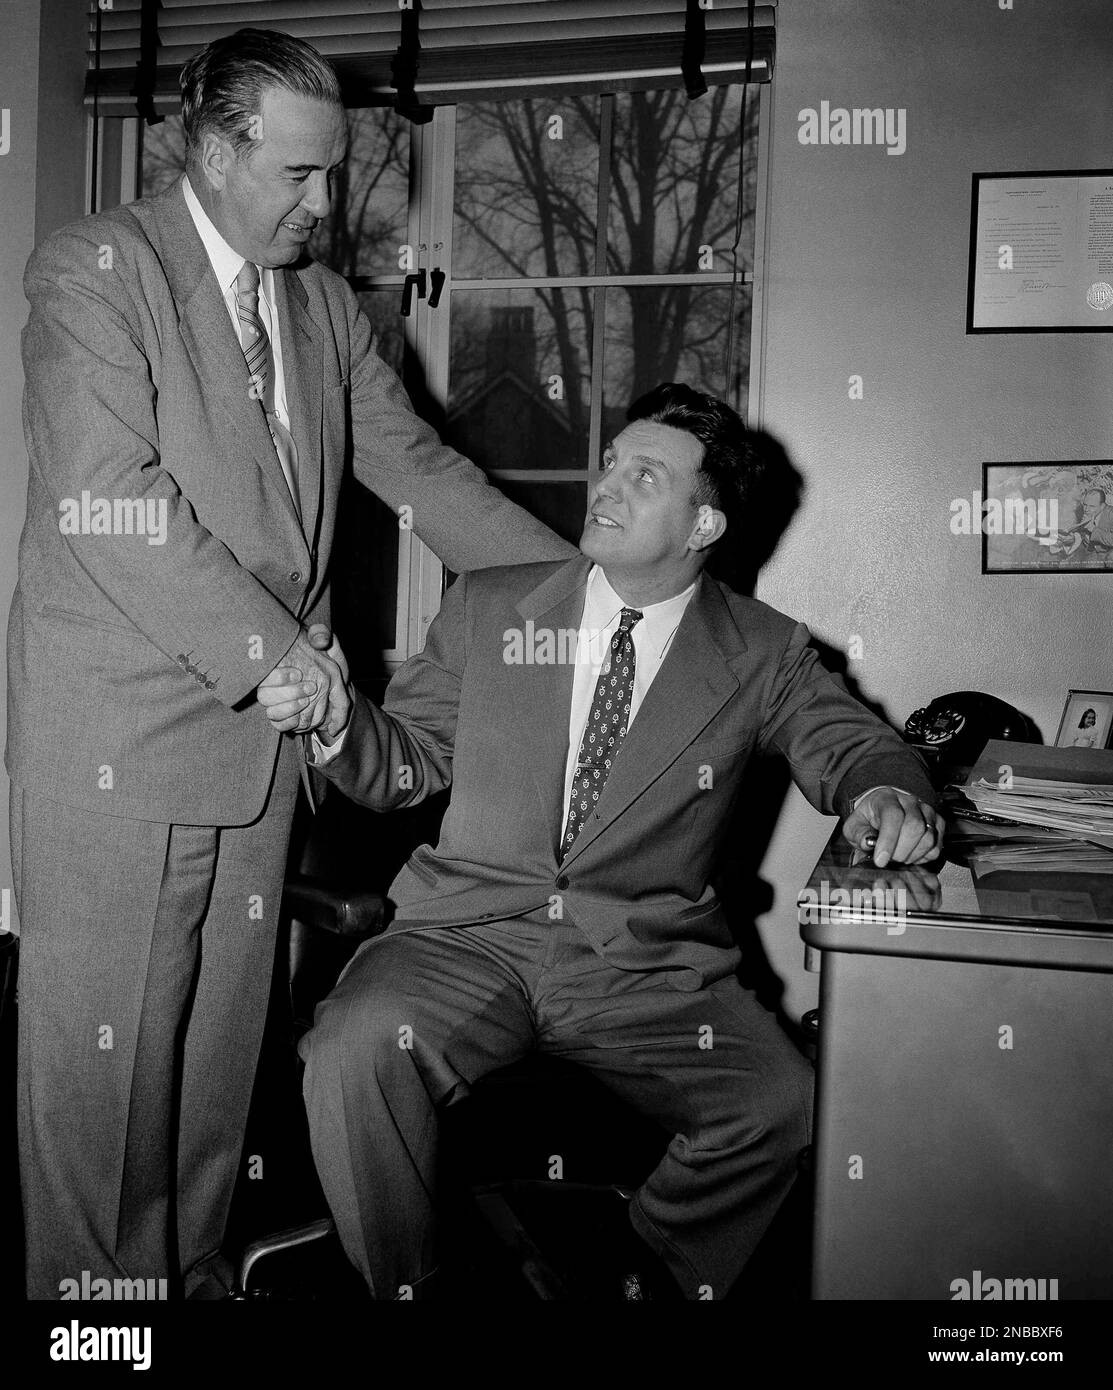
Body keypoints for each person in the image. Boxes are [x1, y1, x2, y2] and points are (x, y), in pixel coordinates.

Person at [7, 28, 573, 1300]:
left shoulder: (316, 304)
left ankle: (191, 1287)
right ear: (213, 149)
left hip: (265, 756)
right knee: (107, 1090)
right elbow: (108, 497)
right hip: (125, 743)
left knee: (214, 1075)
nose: (325, 207)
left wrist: (588, 590)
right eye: (300, 176)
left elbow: (418, 470)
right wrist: (280, 660)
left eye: (336, 175)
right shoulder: (98, 270)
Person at [260, 383, 944, 1300]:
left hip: (647, 966)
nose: (607, 484)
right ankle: (412, 1286)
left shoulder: (762, 650)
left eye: (644, 473)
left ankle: (640, 1269)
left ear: (702, 525)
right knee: (352, 1047)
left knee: (787, 1106)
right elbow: (408, 765)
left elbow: (854, 742)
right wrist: (343, 722)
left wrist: (886, 791)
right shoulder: (489, 608)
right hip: (468, 936)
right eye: (612, 461)